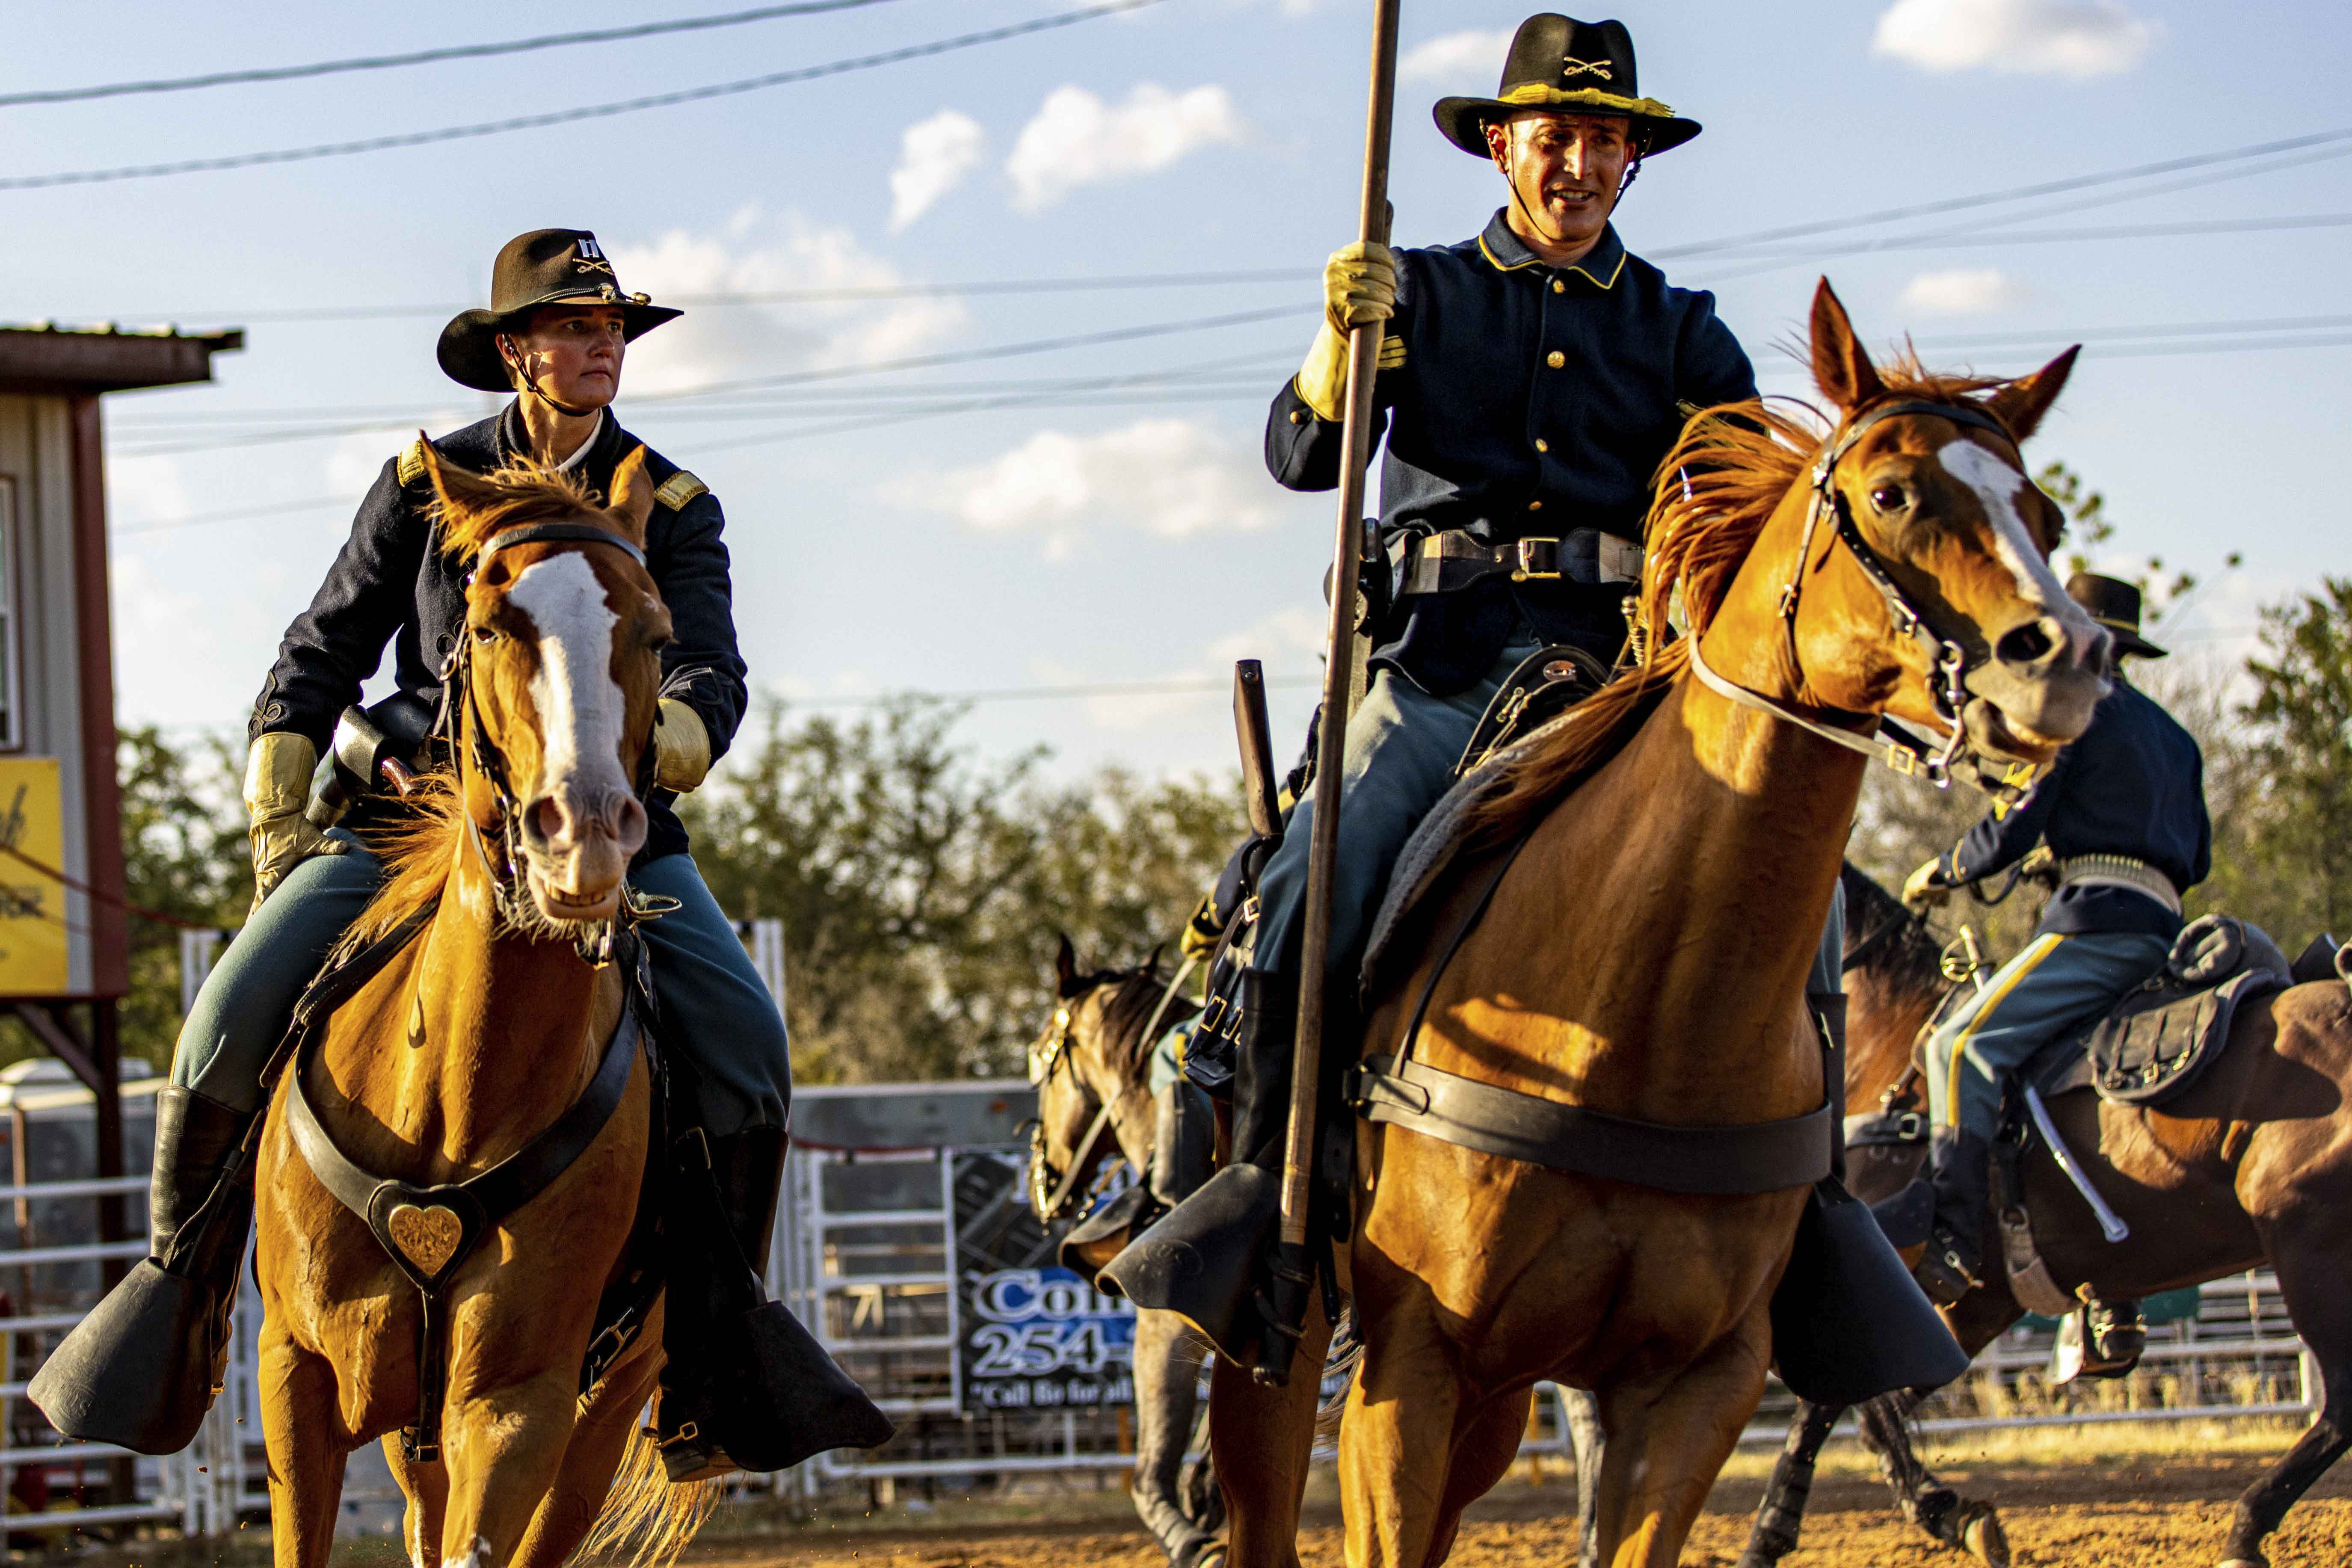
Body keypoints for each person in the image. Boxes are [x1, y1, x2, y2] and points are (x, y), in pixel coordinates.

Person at [1109, 16, 1831, 1349]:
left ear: (1632, 161)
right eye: (1554, 137)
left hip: (1627, 690)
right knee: (1309, 878)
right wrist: (1341, 345)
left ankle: (1817, 1222)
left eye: (1604, 141)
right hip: (1441, 677)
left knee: (1807, 898)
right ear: (1502, 146)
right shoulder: (1421, 293)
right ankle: (1270, 1207)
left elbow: (1755, 503)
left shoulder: (1684, 332)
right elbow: (1300, 461)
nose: (1579, 165)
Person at [50, 230, 792, 1481]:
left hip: (613, 829)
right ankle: (181, 1308)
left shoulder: (672, 504)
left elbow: (713, 665)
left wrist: (639, 755)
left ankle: (714, 1363)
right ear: (515, 351)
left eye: (611, 325)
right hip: (414, 827)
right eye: (571, 324)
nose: (600, 342)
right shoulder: (426, 484)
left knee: (753, 1055)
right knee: (221, 1019)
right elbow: (319, 655)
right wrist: (283, 825)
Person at [1895, 574, 2210, 1328]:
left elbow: (2016, 818)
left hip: (2094, 925)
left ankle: (1954, 1238)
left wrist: (1946, 870)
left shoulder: (2075, 711)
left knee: (1956, 1043)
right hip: (2159, 927)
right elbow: (2192, 855)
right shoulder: (2174, 734)